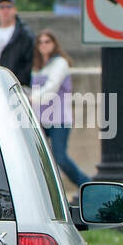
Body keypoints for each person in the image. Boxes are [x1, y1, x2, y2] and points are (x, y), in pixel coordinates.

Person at [30, 29, 91, 192]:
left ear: (54, 44)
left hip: (58, 119)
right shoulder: (38, 66)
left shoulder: (60, 63)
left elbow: (51, 87)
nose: (43, 45)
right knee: (38, 158)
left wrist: (31, 98)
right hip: (40, 119)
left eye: (47, 41)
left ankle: (87, 185)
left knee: (60, 158)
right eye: (40, 42)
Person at [0, 0, 35, 89]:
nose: (5, 10)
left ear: (15, 10)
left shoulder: (24, 34)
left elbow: (28, 62)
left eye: (9, 7)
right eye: (2, 7)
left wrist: (16, 82)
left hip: (16, 85)